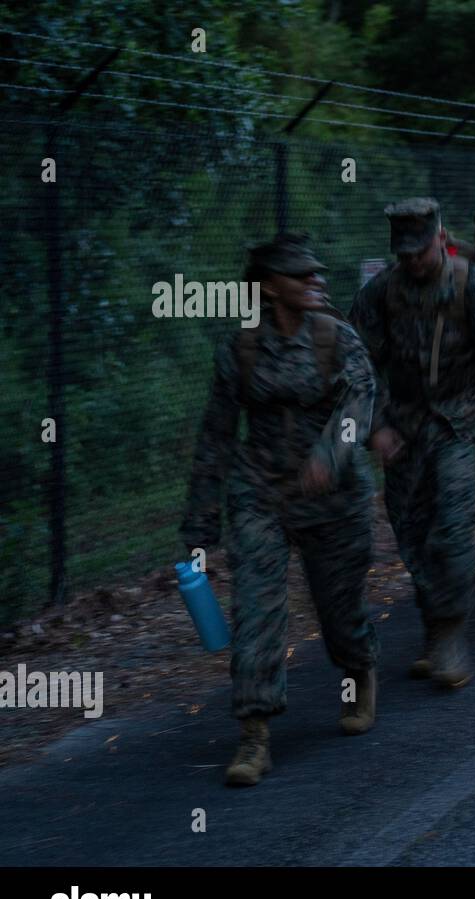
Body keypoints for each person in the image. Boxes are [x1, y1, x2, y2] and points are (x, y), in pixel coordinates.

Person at [179, 233, 379, 787]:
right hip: (260, 493)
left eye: (317, 273)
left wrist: (329, 457)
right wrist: (199, 527)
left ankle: (359, 670)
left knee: (340, 612)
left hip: (332, 497)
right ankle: (254, 734)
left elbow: (359, 404)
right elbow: (215, 438)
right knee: (256, 610)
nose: (316, 281)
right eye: (301, 275)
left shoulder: (336, 337)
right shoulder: (239, 348)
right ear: (268, 287)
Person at [348, 198, 475, 688]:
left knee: (454, 530)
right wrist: (376, 425)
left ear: (441, 237)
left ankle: (452, 631)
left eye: (421, 250)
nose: (413, 261)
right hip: (405, 427)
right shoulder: (380, 294)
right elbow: (356, 364)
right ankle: (435, 623)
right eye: (404, 253)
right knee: (411, 531)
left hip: (462, 422)